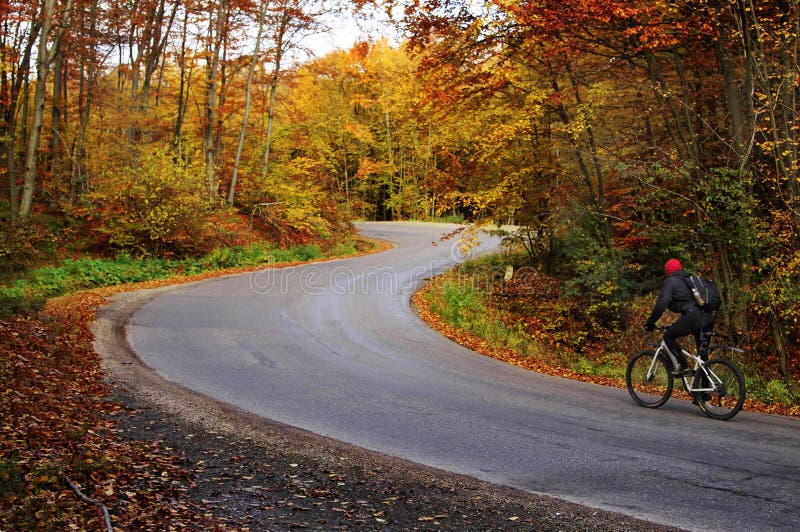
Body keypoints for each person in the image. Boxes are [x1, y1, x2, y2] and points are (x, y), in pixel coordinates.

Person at [644, 258, 716, 375]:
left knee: (668, 337)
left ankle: (684, 366)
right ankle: (704, 392)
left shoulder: (671, 282)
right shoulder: (690, 280)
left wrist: (650, 322)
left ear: (668, 272)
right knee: (703, 357)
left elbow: (662, 303)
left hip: (693, 317)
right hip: (708, 317)